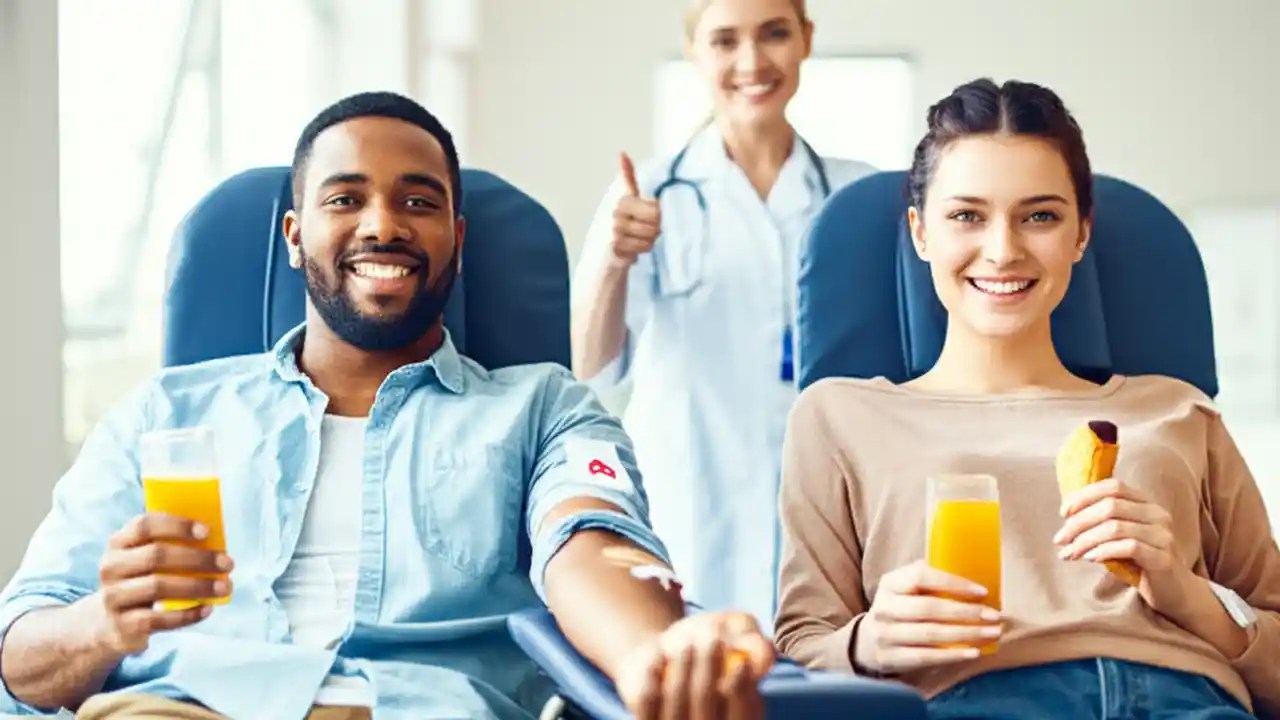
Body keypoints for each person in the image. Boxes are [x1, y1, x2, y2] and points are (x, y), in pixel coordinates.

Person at [0, 91, 774, 720]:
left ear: (457, 239)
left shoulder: (542, 407)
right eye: (346, 198)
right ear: (296, 237)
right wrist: (102, 624)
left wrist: (646, 659)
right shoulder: (164, 415)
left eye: (418, 200)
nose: (383, 224)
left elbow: (590, 539)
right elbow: (22, 657)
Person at [774, 78, 1280, 719]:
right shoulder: (839, 416)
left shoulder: (1176, 410)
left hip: (1188, 700)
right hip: (978, 701)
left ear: (1081, 233)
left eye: (1040, 215)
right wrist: (869, 640)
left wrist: (1184, 592)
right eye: (967, 216)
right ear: (920, 232)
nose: (1004, 249)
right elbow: (800, 647)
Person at [571, 0, 876, 627]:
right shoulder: (647, 194)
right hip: (690, 508)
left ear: (806, 40)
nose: (751, 62)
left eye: (773, 35)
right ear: (693, 50)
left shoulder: (857, 195)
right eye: (724, 40)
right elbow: (591, 365)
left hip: (829, 509)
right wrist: (612, 260)